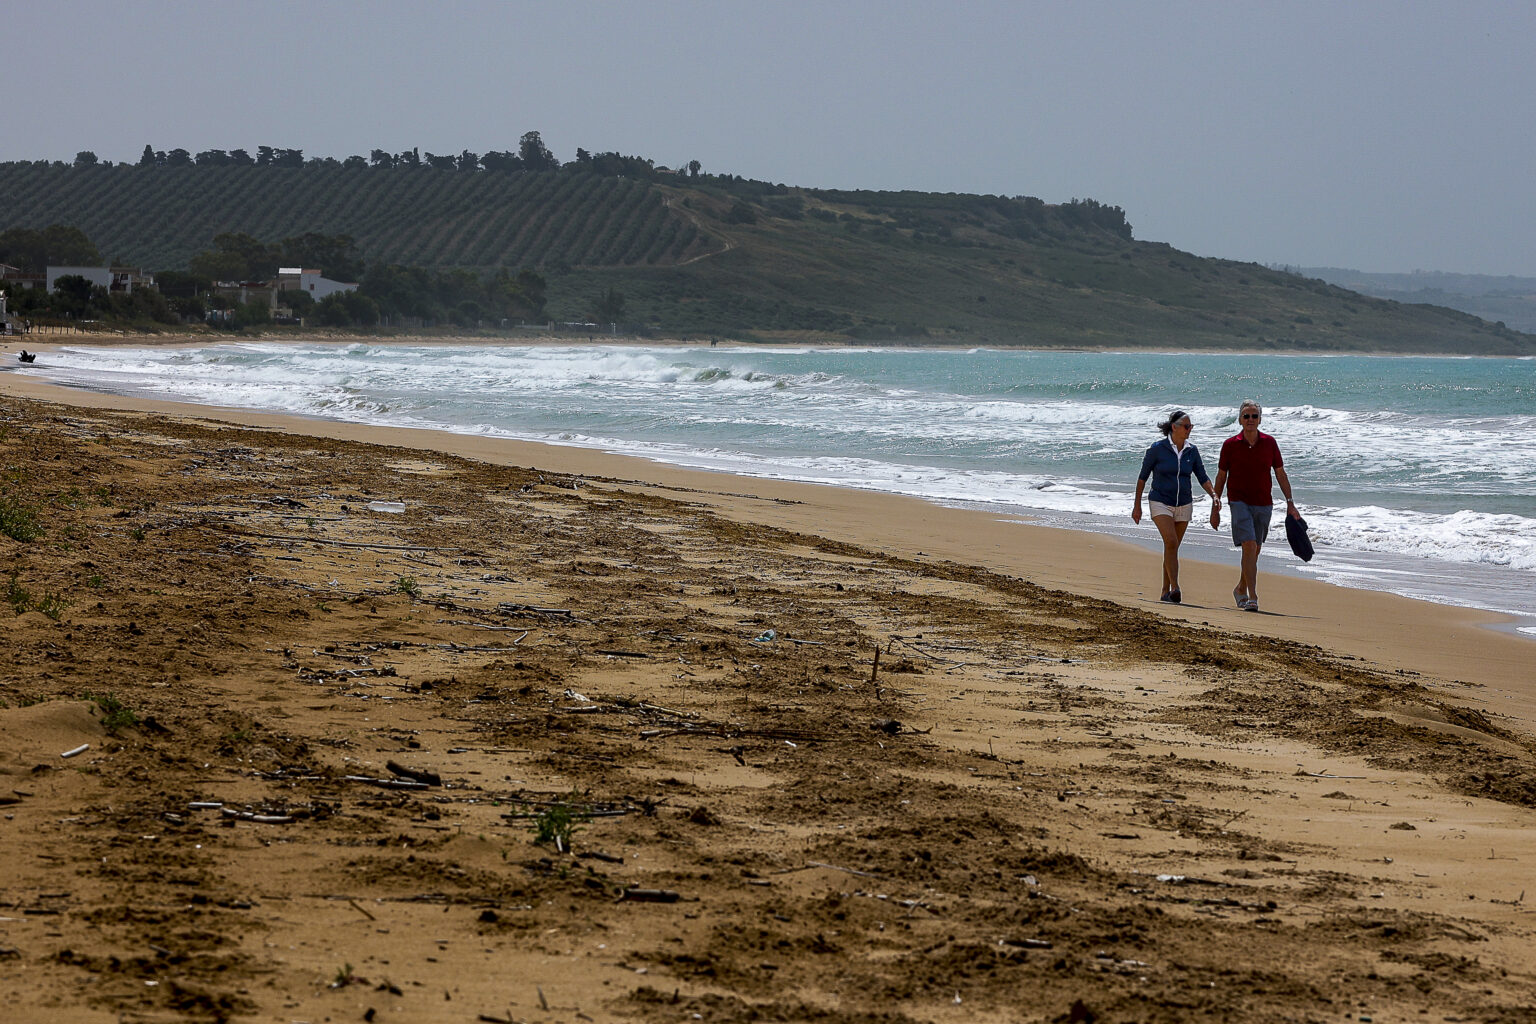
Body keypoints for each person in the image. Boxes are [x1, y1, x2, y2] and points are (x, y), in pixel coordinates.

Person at [1211, 400, 1298, 612]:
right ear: (1240, 420)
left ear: (1260, 420)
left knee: (1255, 550)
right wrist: (1215, 504)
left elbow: (1280, 473)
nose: (1250, 420)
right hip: (1238, 501)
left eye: (1254, 416)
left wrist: (1290, 503)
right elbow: (1221, 476)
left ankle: (1240, 588)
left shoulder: (1270, 443)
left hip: (1263, 503)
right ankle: (1253, 596)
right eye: (1246, 416)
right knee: (1249, 546)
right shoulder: (1230, 445)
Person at [1132, 409, 1217, 603]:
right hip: (1160, 501)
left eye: (1191, 426)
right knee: (1171, 542)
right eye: (1186, 426)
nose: (1189, 429)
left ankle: (1165, 591)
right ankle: (1175, 587)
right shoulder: (1157, 449)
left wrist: (1213, 495)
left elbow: (1202, 477)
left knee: (1172, 547)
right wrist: (1137, 506)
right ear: (1174, 427)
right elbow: (1142, 478)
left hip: (1184, 504)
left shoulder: (1192, 451)